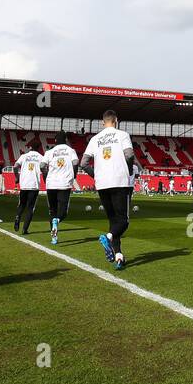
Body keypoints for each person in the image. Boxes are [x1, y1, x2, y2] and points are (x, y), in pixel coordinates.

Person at [80, 110, 138, 270]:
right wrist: (129, 170)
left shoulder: (94, 139)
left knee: (113, 221)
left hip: (102, 183)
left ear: (102, 122)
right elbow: (129, 155)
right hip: (119, 181)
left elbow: (83, 163)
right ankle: (108, 237)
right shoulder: (122, 135)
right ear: (116, 120)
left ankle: (118, 256)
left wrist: (96, 175)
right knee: (123, 221)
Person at [42, 133, 78, 245]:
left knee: (52, 211)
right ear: (66, 140)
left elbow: (42, 166)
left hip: (51, 184)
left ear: (55, 140)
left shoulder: (49, 152)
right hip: (64, 184)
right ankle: (57, 221)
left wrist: (46, 177)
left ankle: (53, 237)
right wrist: (74, 174)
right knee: (62, 212)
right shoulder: (70, 150)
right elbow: (76, 162)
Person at [12, 146, 44, 235]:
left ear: (30, 148)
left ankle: (18, 217)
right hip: (34, 186)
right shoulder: (40, 157)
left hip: (24, 185)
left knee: (21, 204)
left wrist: (17, 177)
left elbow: (15, 167)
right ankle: (25, 229)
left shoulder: (23, 156)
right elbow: (44, 168)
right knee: (30, 208)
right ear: (38, 148)